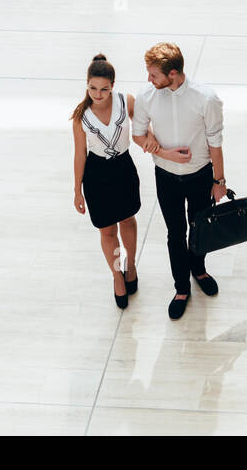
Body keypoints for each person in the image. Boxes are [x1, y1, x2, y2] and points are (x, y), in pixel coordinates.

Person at [131, 42, 227, 320]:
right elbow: (139, 135)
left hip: (200, 176)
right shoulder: (147, 96)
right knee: (176, 233)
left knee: (199, 230)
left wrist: (219, 181)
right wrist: (166, 154)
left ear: (172, 73)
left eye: (154, 75)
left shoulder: (205, 98)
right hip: (166, 177)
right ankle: (181, 287)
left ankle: (199, 269)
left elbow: (216, 143)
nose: (149, 79)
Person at [71, 54, 172, 308]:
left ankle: (131, 264)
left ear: (112, 86)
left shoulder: (125, 102)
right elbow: (79, 154)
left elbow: (143, 128)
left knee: (127, 219)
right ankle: (116, 274)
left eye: (104, 88)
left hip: (123, 169)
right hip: (96, 175)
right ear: (87, 85)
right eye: (93, 88)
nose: (98, 93)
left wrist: (151, 138)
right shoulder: (80, 116)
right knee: (107, 229)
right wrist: (77, 190)